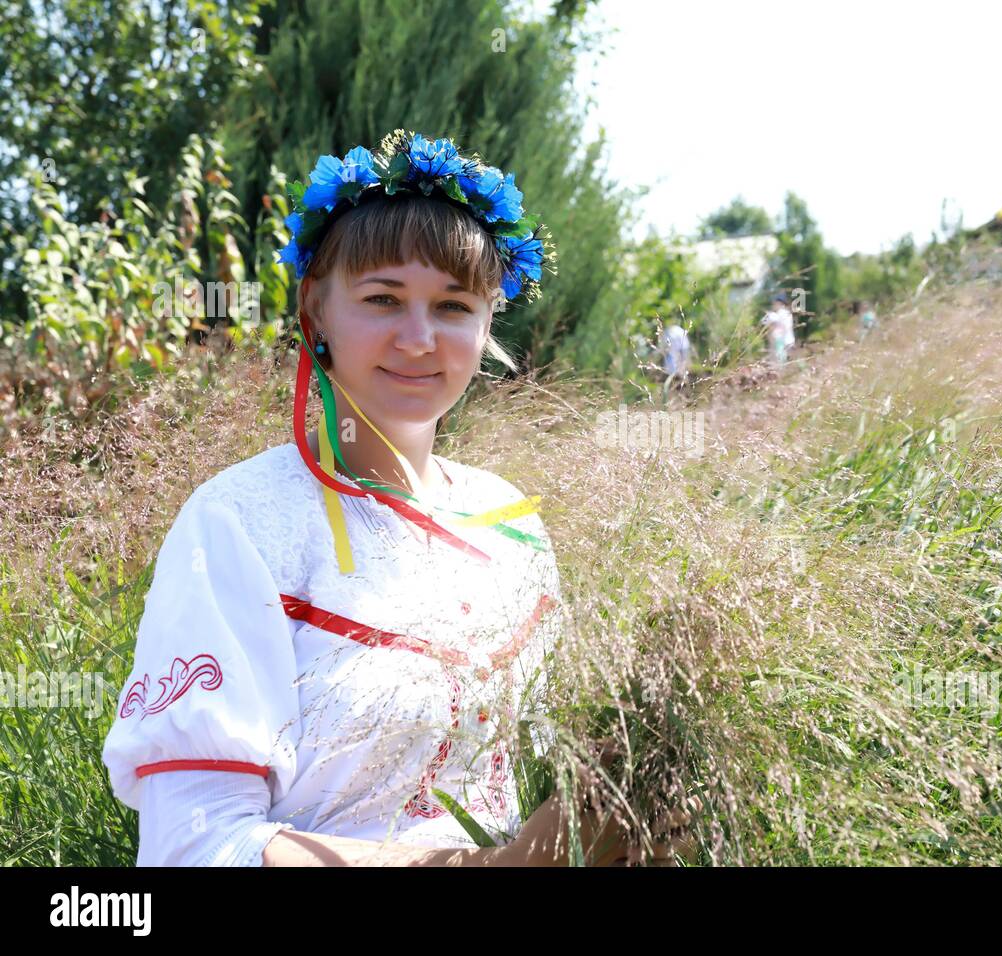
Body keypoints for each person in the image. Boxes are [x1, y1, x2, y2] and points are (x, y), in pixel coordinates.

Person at [100, 130, 694, 867]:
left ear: (487, 324)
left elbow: (538, 778)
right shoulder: (238, 523)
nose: (419, 338)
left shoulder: (511, 522)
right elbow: (194, 847)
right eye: (383, 298)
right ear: (314, 313)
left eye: (453, 306)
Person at [760, 293, 795, 366]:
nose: (773, 305)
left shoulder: (781, 314)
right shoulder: (780, 314)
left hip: (782, 342)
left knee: (779, 363)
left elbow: (766, 322)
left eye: (775, 303)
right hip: (782, 342)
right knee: (779, 362)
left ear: (780, 303)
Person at [658, 322, 692, 396]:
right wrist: (686, 361)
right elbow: (685, 348)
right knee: (682, 384)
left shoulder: (667, 332)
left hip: (670, 367)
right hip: (680, 364)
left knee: (672, 386)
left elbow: (663, 350)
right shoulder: (680, 331)